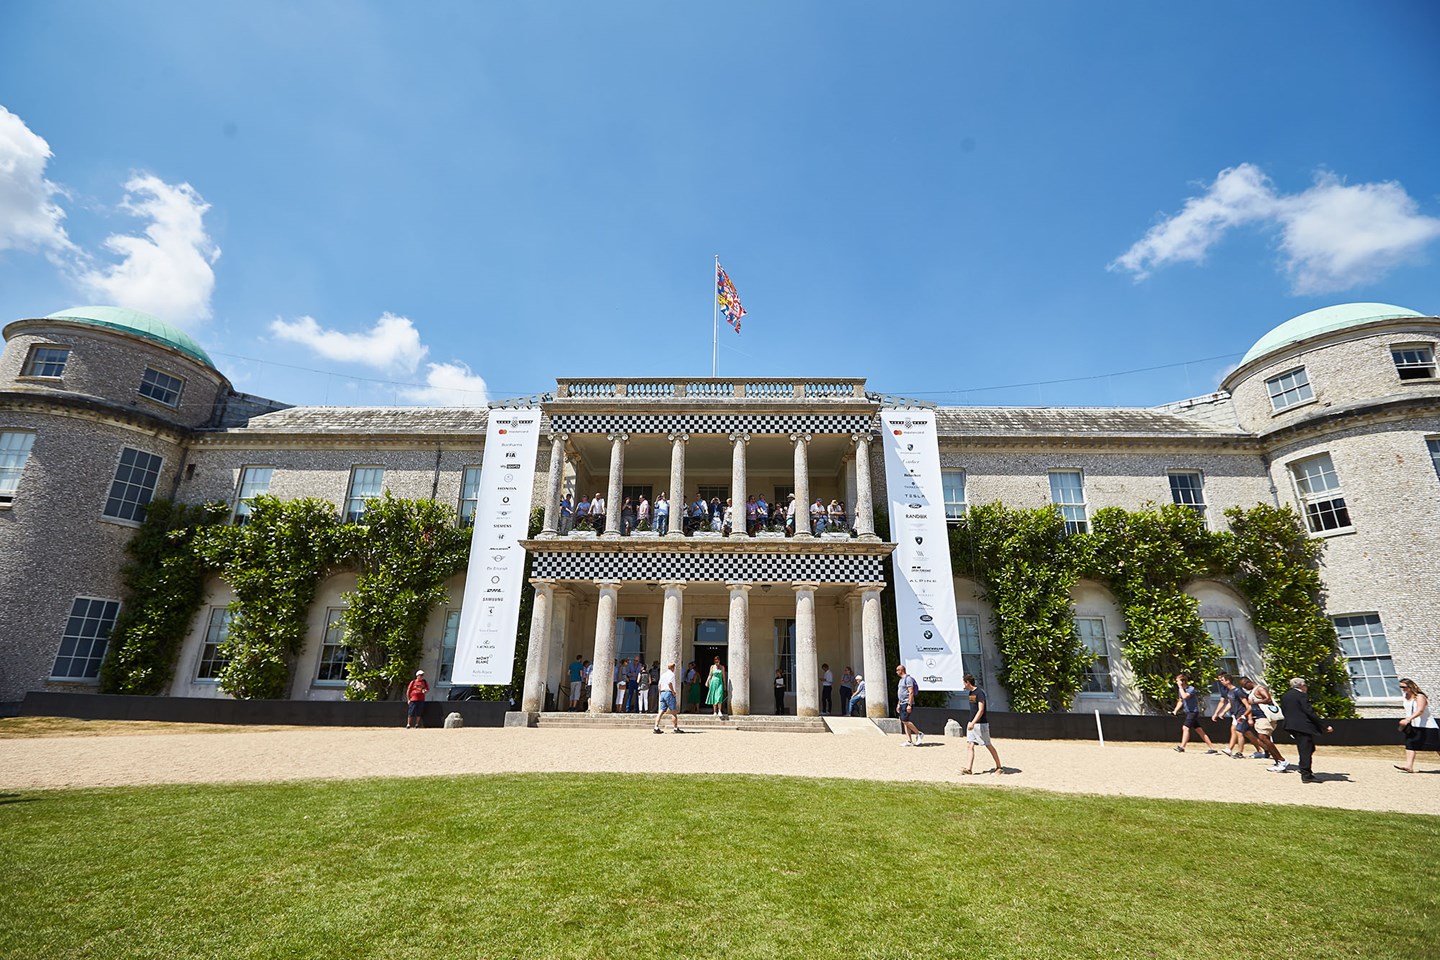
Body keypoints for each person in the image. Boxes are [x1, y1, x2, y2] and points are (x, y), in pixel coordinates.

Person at [1279, 678, 1333, 784]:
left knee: (1307, 747)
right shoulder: (1301, 695)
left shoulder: (1285, 696)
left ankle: (1303, 767)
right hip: (1302, 726)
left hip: (1290, 725)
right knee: (1306, 749)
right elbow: (1309, 711)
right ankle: (1306, 774)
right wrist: (1324, 725)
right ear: (1301, 685)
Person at [1241, 678, 1289, 771]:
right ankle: (1278, 762)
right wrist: (1244, 716)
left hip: (1265, 716)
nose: (1245, 688)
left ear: (1249, 682)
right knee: (1263, 738)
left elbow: (1268, 699)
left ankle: (1281, 759)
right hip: (1259, 717)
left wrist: (1255, 702)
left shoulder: (1260, 689)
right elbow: (1251, 707)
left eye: (1245, 686)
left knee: (1263, 737)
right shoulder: (1252, 692)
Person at [961, 674, 1003, 774]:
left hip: (981, 724)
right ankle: (969, 769)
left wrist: (973, 722)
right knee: (970, 745)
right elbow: (973, 709)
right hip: (972, 723)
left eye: (963, 682)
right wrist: (970, 722)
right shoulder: (971, 693)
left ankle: (999, 766)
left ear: (967, 682)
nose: (963, 685)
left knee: (988, 744)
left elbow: (980, 710)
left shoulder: (980, 693)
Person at [1396, 678, 1440, 773]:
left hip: (1427, 726)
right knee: (1410, 744)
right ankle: (1409, 766)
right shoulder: (1405, 696)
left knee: (1437, 746)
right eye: (1400, 687)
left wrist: (1408, 719)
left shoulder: (1420, 697)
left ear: (1411, 686)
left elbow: (1420, 710)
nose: (1402, 689)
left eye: (1404, 687)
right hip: (1414, 725)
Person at [1171, 673, 1218, 753]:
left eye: (1178, 681)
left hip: (1193, 712)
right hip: (1188, 712)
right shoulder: (1181, 690)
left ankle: (1182, 747)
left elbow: (1185, 696)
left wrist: (1180, 688)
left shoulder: (1191, 689)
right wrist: (1175, 710)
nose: (1177, 683)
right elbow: (1181, 700)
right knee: (1199, 730)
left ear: (1183, 681)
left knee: (1185, 728)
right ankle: (1212, 748)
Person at [1213, 672, 1252, 758]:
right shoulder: (1230, 692)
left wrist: (1246, 716)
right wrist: (1223, 712)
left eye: (1222, 680)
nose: (1221, 681)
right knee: (1239, 731)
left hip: (1241, 714)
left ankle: (1240, 752)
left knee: (1240, 732)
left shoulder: (1237, 691)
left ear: (1228, 681)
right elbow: (1230, 703)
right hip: (1235, 714)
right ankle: (1264, 749)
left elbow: (1247, 705)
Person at [895, 665, 923, 745]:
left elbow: (911, 692)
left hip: (907, 702)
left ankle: (919, 734)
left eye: (897, 670)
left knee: (904, 720)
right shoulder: (901, 680)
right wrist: (898, 704)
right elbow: (900, 693)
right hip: (902, 703)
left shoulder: (908, 679)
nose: (896, 672)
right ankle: (909, 740)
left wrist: (909, 704)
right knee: (904, 721)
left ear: (901, 670)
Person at [654, 662, 682, 733]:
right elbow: (670, 683)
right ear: (673, 668)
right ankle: (675, 728)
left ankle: (656, 726)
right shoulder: (672, 674)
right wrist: (673, 691)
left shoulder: (663, 675)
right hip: (668, 692)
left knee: (661, 711)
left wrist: (660, 692)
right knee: (673, 711)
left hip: (662, 692)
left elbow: (659, 685)